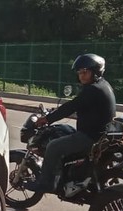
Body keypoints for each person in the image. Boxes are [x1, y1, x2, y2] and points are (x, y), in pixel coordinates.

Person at [24, 54, 117, 194]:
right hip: (100, 135)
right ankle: (67, 175)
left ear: (95, 72)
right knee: (65, 130)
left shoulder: (93, 90)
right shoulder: (103, 85)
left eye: (85, 72)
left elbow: (72, 106)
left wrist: (47, 119)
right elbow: (77, 104)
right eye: (79, 73)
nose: (81, 76)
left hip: (90, 137)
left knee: (52, 147)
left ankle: (47, 183)